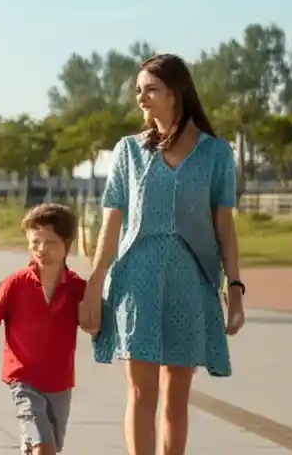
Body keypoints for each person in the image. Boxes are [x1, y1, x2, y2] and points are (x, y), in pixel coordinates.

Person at [79, 54, 245, 455]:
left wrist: (235, 289)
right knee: (140, 392)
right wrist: (94, 285)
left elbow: (224, 225)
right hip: (136, 281)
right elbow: (112, 223)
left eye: (150, 89)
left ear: (177, 92)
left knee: (176, 396)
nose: (141, 98)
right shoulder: (128, 152)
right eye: (138, 90)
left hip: (191, 282)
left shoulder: (216, 154)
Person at [0, 204, 88, 455]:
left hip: (60, 381)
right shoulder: (16, 284)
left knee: (49, 446)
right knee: (43, 446)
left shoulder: (77, 288)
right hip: (23, 378)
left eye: (50, 242)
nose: (42, 249)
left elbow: (94, 321)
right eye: (35, 242)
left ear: (67, 244)